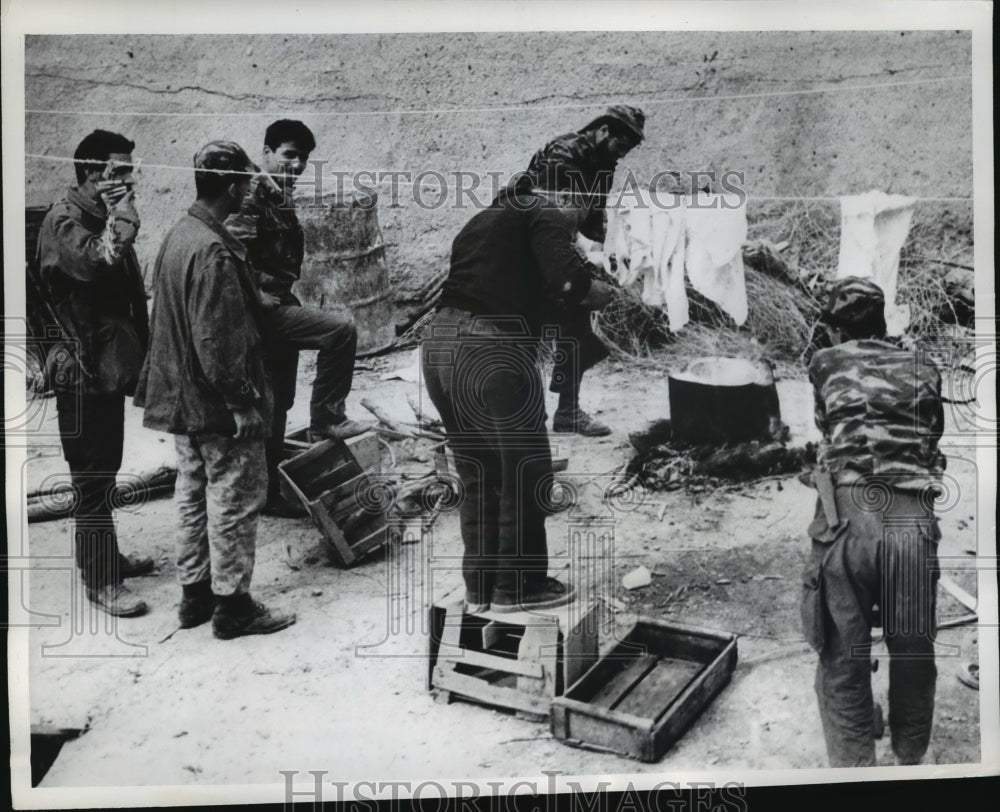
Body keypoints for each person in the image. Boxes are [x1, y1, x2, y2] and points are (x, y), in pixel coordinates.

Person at [422, 165, 615, 613]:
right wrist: (598, 292)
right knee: (526, 468)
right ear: (565, 194)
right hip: (492, 351)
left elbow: (528, 287)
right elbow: (568, 282)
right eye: (581, 210)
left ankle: (481, 588)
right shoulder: (543, 210)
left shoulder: (487, 219)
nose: (576, 226)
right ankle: (518, 587)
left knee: (478, 471)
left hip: (439, 346)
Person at [134, 141, 295, 640]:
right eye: (246, 183)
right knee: (234, 497)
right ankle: (234, 607)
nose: (250, 191)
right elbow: (215, 338)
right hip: (212, 402)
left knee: (191, 493)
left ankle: (195, 597)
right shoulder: (214, 250)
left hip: (180, 398)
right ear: (231, 187)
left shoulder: (180, 234)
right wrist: (241, 402)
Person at [802, 276, 946, 767]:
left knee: (842, 658)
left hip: (847, 517)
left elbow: (826, 432)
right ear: (883, 322)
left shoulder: (824, 363)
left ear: (835, 330)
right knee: (912, 655)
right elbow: (931, 440)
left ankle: (854, 772)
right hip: (911, 520)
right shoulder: (925, 365)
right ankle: (910, 759)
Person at [36, 129, 155, 618]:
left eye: (129, 170)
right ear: (90, 175)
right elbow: (96, 262)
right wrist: (124, 220)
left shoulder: (96, 216)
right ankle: (101, 580)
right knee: (90, 478)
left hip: (102, 368)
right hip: (80, 374)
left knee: (104, 471)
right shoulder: (66, 223)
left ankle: (107, 558)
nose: (129, 180)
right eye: (118, 171)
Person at [225, 119, 368, 516]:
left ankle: (269, 493)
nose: (297, 165)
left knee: (278, 399)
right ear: (267, 152)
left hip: (278, 299)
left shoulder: (278, 192)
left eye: (303, 158)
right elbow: (228, 254)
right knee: (339, 330)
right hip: (259, 309)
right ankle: (327, 419)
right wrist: (258, 295)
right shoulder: (252, 194)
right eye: (289, 155)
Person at [516, 105, 645, 437]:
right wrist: (579, 253)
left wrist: (600, 257)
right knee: (527, 332)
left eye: (628, 150)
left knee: (576, 328)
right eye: (621, 146)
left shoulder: (605, 164)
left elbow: (594, 215)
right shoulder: (563, 154)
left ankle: (568, 412)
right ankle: (528, 418)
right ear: (604, 132)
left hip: (567, 247)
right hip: (534, 247)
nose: (622, 155)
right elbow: (548, 216)